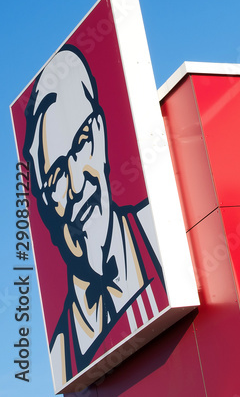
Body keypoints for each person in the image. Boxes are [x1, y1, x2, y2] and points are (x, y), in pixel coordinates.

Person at [21, 45, 163, 385]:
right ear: (42, 204)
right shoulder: (61, 355)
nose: (77, 181)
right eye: (55, 174)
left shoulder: (160, 243)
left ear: (100, 133)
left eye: (82, 140)